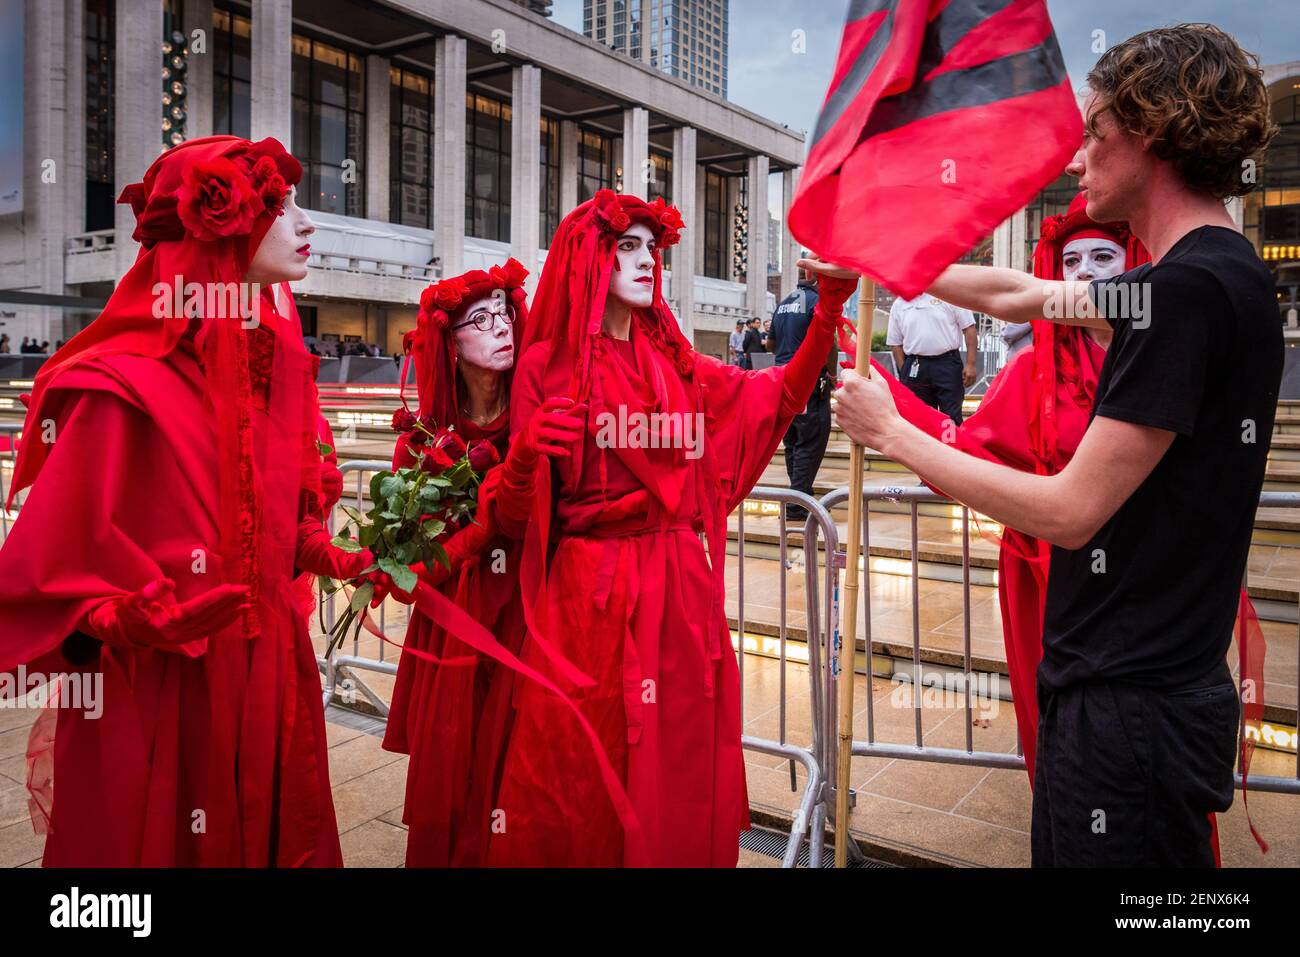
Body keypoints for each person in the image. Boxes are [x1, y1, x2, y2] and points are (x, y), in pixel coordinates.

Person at [823, 24, 1280, 867]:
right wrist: (887, 260)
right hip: (1161, 687)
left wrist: (892, 433)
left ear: (1150, 132)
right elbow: (1021, 293)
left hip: (1128, 705)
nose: (1077, 162)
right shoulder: (1222, 273)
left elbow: (1070, 512)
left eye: (1094, 135)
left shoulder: (1181, 294)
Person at [0, 136, 388, 866]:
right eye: (281, 206)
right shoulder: (119, 386)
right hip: (164, 690)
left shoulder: (283, 373)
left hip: (271, 666)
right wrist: (123, 615)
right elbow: (46, 568)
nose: (306, 225)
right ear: (222, 227)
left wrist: (328, 552)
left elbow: (285, 515)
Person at [482, 191, 857, 866]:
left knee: (677, 757)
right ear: (588, 258)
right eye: (625, 244)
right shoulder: (545, 367)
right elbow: (514, 519)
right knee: (578, 764)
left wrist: (829, 310)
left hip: (678, 591)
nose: (645, 258)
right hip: (588, 596)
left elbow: (776, 394)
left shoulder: (676, 364)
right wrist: (526, 452)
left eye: (650, 246)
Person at [378, 259, 567, 867]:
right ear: (450, 344)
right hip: (458, 616)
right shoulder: (424, 437)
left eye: (505, 314)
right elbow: (409, 562)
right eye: (479, 320)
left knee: (520, 752)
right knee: (458, 753)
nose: (501, 327)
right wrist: (478, 533)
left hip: (531, 603)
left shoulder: (542, 412)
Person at [771, 264, 848, 520]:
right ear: (817, 278)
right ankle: (797, 503)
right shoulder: (818, 302)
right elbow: (828, 343)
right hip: (808, 381)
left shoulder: (783, 303)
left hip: (782, 379)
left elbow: (771, 342)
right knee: (811, 439)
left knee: (792, 440)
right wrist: (832, 375)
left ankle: (800, 496)